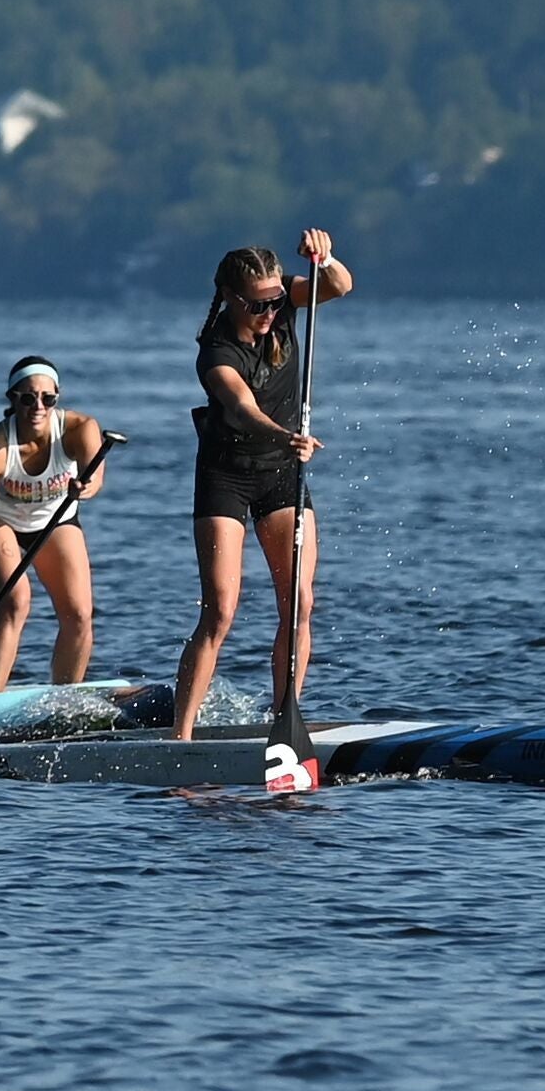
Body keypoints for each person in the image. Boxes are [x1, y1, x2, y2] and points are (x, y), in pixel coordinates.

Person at [171, 231, 354, 739]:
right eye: (257, 304)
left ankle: (284, 720)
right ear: (231, 298)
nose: (269, 311)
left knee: (300, 602)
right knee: (220, 612)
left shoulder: (284, 301)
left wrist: (325, 258)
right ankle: (180, 736)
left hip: (281, 474)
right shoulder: (215, 352)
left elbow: (340, 285)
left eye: (275, 300)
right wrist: (286, 436)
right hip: (226, 476)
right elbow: (241, 408)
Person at [0, 356, 107, 693]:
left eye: (47, 399)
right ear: (12, 399)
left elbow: (95, 478)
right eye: (28, 398)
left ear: (56, 398)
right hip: (1, 522)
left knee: (80, 614)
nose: (38, 407)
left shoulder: (80, 428)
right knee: (15, 601)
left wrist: (86, 487)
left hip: (56, 520)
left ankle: (64, 700)